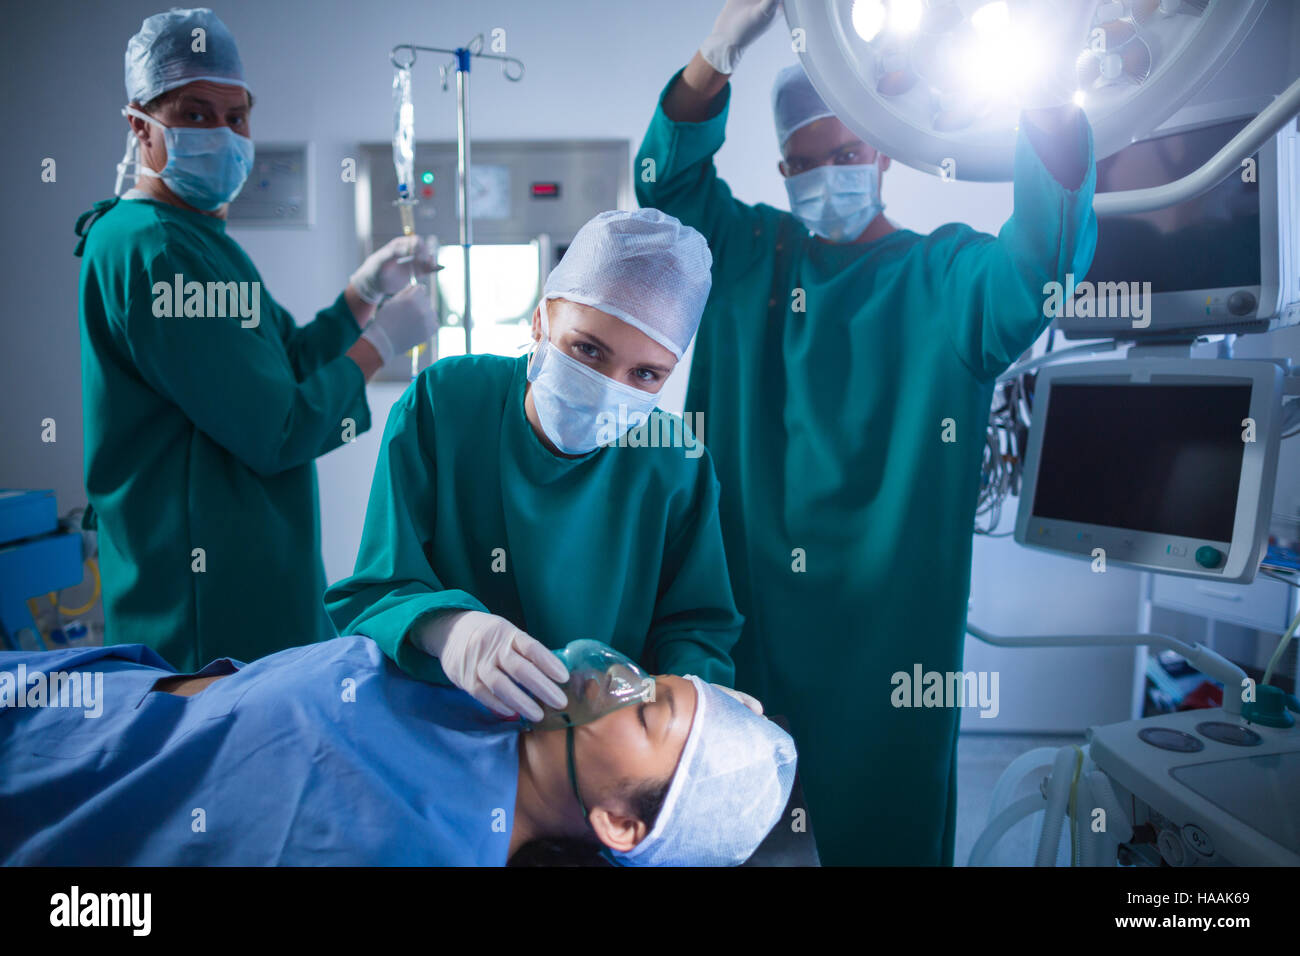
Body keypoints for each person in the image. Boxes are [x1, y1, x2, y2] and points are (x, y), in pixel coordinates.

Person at [634, 0, 1099, 864]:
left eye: (845, 154)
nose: (827, 176)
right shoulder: (749, 258)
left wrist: (1046, 90)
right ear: (780, 170)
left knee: (885, 840)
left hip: (888, 648)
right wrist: (717, 50)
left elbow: (1044, 262)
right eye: (804, 164)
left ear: (883, 151)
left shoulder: (944, 277)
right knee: (724, 831)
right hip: (742, 618)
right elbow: (666, 188)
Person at [75, 8, 439, 671]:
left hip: (246, 582)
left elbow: (284, 363)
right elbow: (279, 429)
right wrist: (382, 345)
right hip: (204, 607)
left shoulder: (195, 236)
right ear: (139, 126)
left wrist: (363, 294)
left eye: (236, 116)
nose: (223, 132)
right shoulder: (155, 250)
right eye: (194, 114)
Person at [326, 209, 760, 722]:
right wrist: (449, 629)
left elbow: (694, 624)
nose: (609, 388)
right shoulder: (445, 404)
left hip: (593, 746)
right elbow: (381, 583)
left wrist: (690, 701)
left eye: (645, 373)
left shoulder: (675, 462)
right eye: (588, 350)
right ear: (541, 321)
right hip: (441, 723)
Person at [0, 638, 796, 865]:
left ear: (621, 825)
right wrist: (439, 626)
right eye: (648, 677)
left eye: (647, 714)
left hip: (60, 791)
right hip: (85, 699)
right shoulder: (488, 701)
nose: (620, 681)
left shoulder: (437, 843)